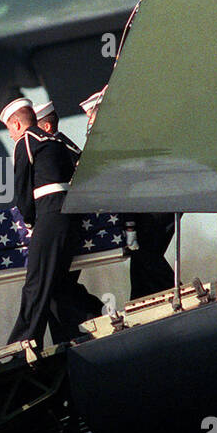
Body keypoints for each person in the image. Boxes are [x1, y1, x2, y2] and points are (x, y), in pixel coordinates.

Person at [1, 97, 103, 346]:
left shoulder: (27, 140)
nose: (11, 135)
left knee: (35, 282)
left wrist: (29, 221)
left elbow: (23, 189)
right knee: (57, 284)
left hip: (50, 217)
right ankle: (87, 318)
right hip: (71, 217)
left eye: (9, 130)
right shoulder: (58, 141)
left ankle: (23, 340)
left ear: (16, 124)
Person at [80, 89, 175, 299]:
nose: (90, 124)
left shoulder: (118, 138)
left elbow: (124, 183)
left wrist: (130, 225)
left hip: (156, 202)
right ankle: (142, 299)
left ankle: (173, 292)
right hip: (156, 201)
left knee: (145, 254)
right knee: (143, 257)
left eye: (92, 117)